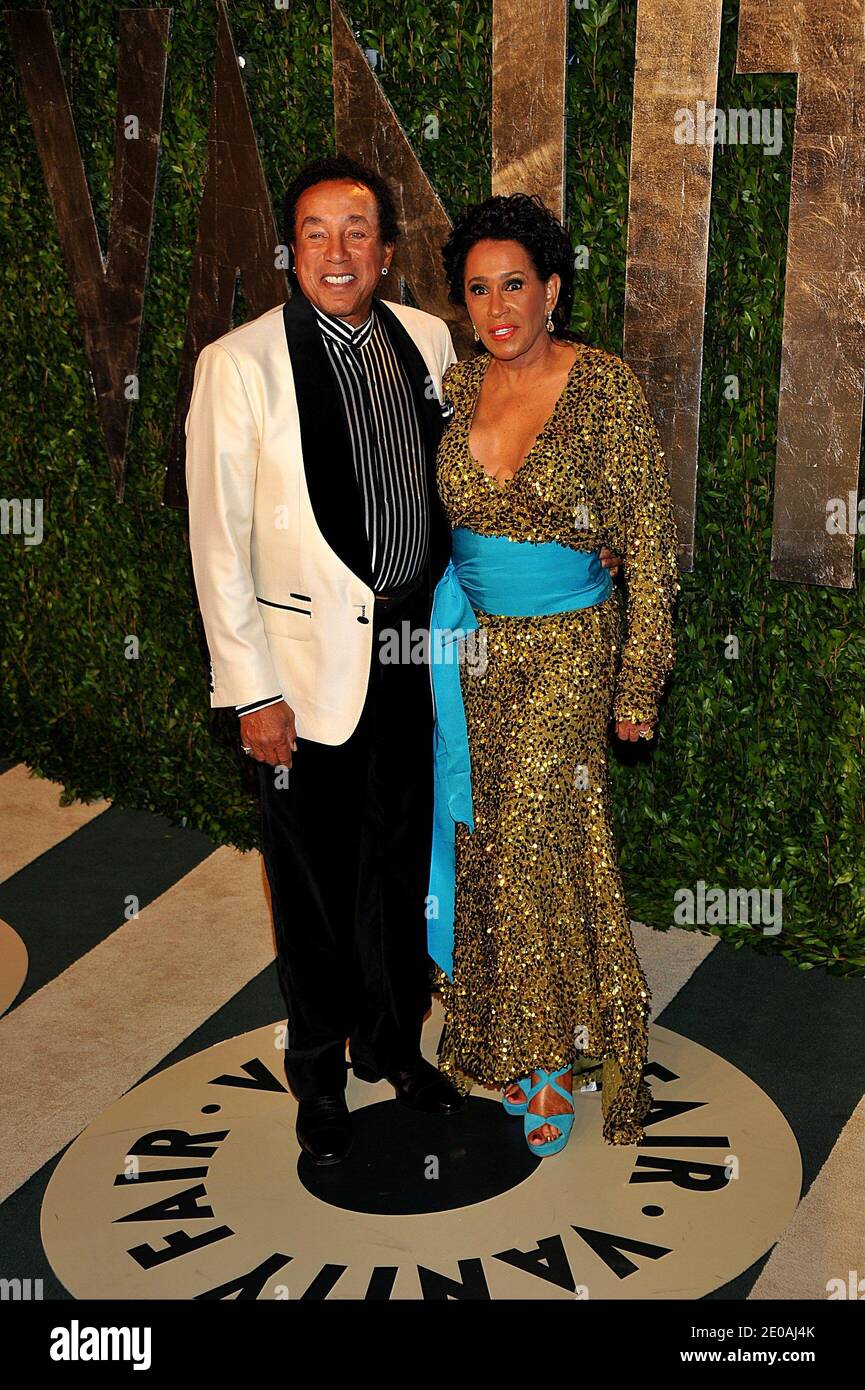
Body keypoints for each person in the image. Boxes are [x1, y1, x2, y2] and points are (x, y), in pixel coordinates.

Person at [186, 156, 623, 1166]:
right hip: (298, 679)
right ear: (289, 248)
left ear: (384, 250)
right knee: (310, 888)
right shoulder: (239, 365)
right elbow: (217, 545)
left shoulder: (429, 340)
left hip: (415, 653)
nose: (337, 251)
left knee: (393, 865)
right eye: (316, 230)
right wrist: (251, 690)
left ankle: (392, 1046)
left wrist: (587, 537)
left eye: (357, 230)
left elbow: (510, 456)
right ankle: (318, 1079)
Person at [427, 193, 680, 1155]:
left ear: (552, 291)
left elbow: (650, 546)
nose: (497, 307)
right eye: (478, 290)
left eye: (515, 286)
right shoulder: (453, 390)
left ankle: (544, 1066)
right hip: (468, 649)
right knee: (499, 839)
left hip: (568, 650)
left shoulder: (604, 388)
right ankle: (502, 1024)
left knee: (531, 825)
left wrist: (637, 682)